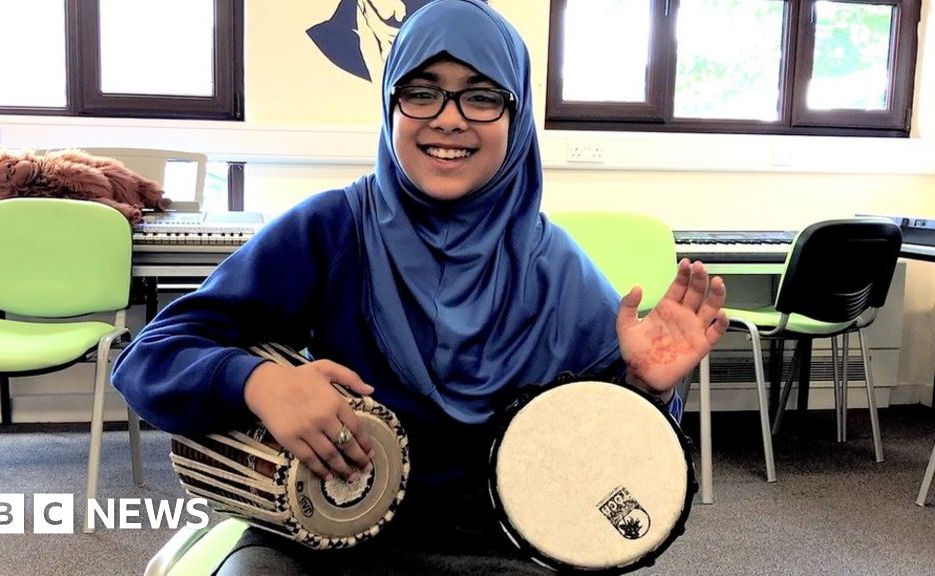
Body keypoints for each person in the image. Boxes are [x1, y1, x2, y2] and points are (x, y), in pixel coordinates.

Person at [111, 0, 728, 574]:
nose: (449, 119)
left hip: (498, 543)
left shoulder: (556, 267)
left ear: (516, 119)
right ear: (389, 106)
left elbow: (608, 462)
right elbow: (150, 359)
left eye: (482, 97)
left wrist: (643, 387)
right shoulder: (333, 229)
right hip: (323, 530)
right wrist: (259, 382)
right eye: (421, 93)